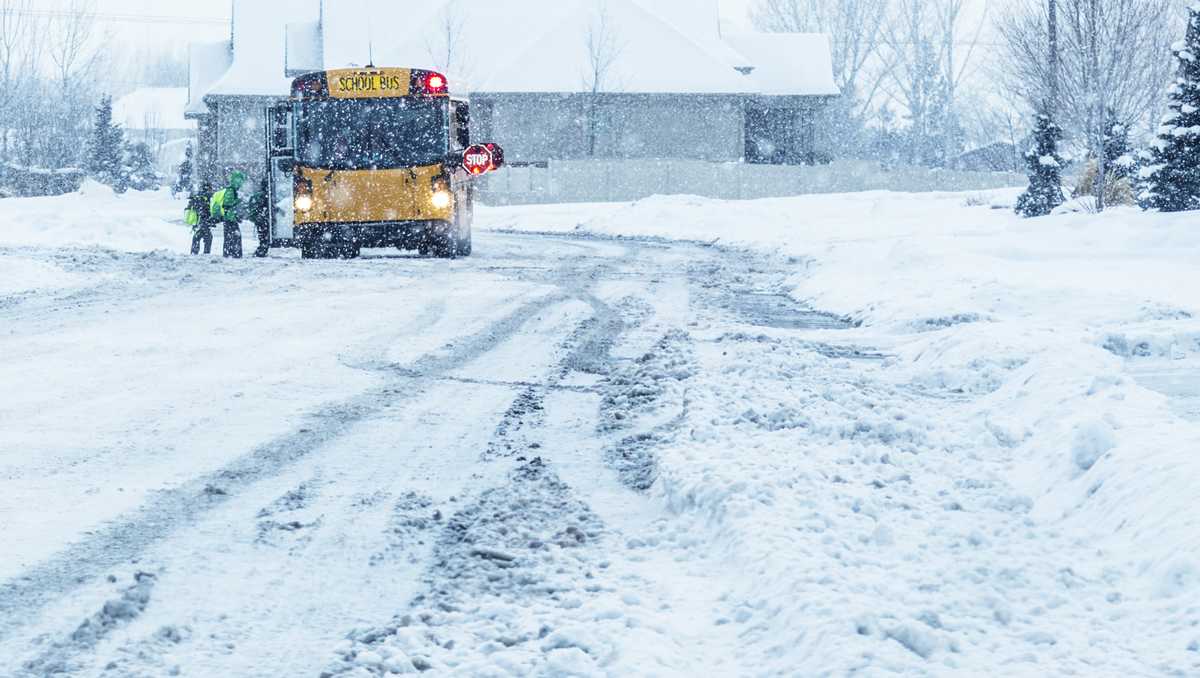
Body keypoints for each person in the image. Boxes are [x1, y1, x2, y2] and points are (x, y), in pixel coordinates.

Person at [211, 171, 246, 259]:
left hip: (230, 218)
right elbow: (226, 204)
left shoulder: (232, 190)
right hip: (229, 218)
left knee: (230, 237)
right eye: (239, 180)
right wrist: (239, 201)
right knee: (234, 237)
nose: (241, 183)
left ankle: (230, 254)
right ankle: (234, 254)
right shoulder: (231, 190)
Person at [187, 181, 214, 255]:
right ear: (208, 188)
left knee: (198, 236)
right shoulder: (206, 196)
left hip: (197, 220)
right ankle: (205, 253)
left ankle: (194, 252)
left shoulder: (199, 196)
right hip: (203, 220)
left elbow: (195, 207)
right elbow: (206, 210)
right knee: (208, 237)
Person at [247, 177, 271, 258]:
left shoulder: (258, 194)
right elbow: (267, 206)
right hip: (263, 218)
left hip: (258, 218)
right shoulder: (265, 195)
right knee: (265, 237)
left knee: (262, 236)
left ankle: (261, 251)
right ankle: (260, 252)